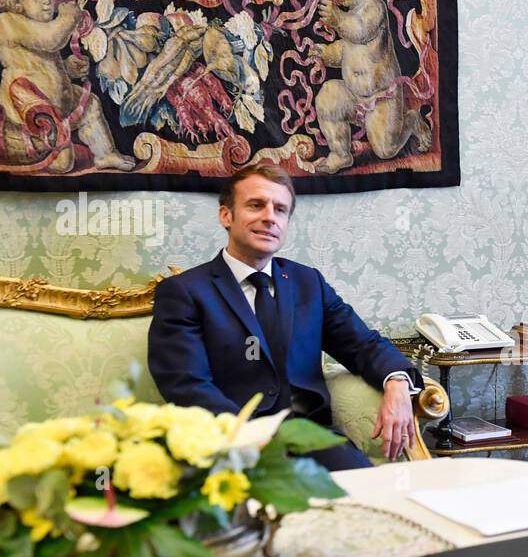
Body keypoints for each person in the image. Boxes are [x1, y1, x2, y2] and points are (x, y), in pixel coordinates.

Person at [147, 164, 422, 469]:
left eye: (280, 209)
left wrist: (397, 380)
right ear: (226, 215)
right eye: (255, 205)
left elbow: (362, 344)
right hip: (230, 444)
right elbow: (186, 384)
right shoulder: (185, 292)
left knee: (370, 499)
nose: (269, 217)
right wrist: (250, 436)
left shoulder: (308, 283)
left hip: (310, 437)